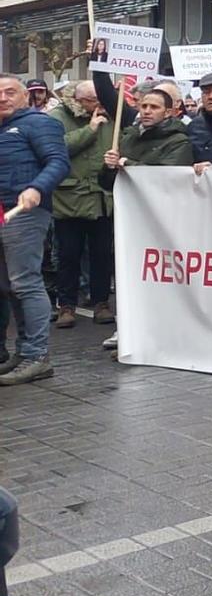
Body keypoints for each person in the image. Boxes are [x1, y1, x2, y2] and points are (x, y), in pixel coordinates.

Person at [0, 74, 71, 387]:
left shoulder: (40, 123)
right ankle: (24, 352)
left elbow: (58, 162)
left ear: (25, 96)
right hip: (3, 213)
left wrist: (36, 187)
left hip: (25, 213)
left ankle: (37, 356)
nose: (2, 97)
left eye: (9, 92)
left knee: (25, 283)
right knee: (9, 286)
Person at [49, 81, 114, 332]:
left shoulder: (110, 114)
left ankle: (100, 303)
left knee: (101, 254)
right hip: (69, 197)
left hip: (101, 197)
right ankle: (66, 305)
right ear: (79, 99)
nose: (98, 106)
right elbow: (56, 147)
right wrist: (90, 130)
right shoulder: (57, 116)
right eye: (92, 101)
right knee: (68, 254)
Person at [100, 86, 197, 185]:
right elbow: (108, 184)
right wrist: (109, 167)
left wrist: (127, 163)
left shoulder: (179, 141)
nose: (147, 111)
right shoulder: (129, 137)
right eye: (144, 106)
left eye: (154, 107)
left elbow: (167, 179)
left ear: (167, 112)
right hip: (127, 199)